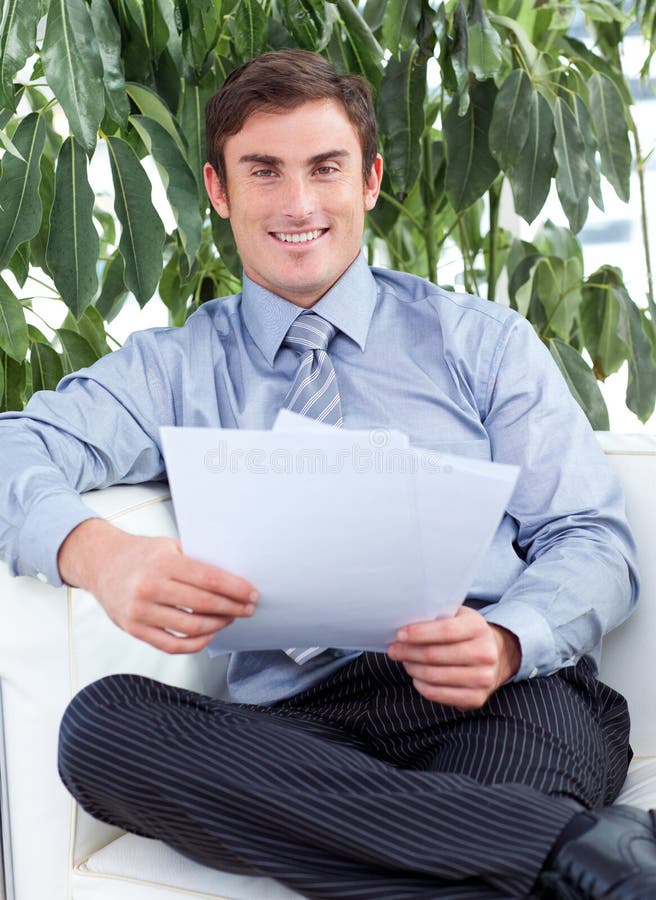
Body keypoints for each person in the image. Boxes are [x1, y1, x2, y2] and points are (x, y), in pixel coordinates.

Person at [1, 48, 656, 899]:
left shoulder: (480, 341)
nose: (299, 204)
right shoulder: (173, 368)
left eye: (325, 169)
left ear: (371, 180)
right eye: (263, 172)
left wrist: (507, 640)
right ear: (218, 190)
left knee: (491, 800)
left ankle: (508, 844)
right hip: (298, 731)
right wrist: (100, 555)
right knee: (101, 732)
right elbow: (14, 443)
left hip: (502, 700)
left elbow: (594, 538)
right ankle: (567, 848)